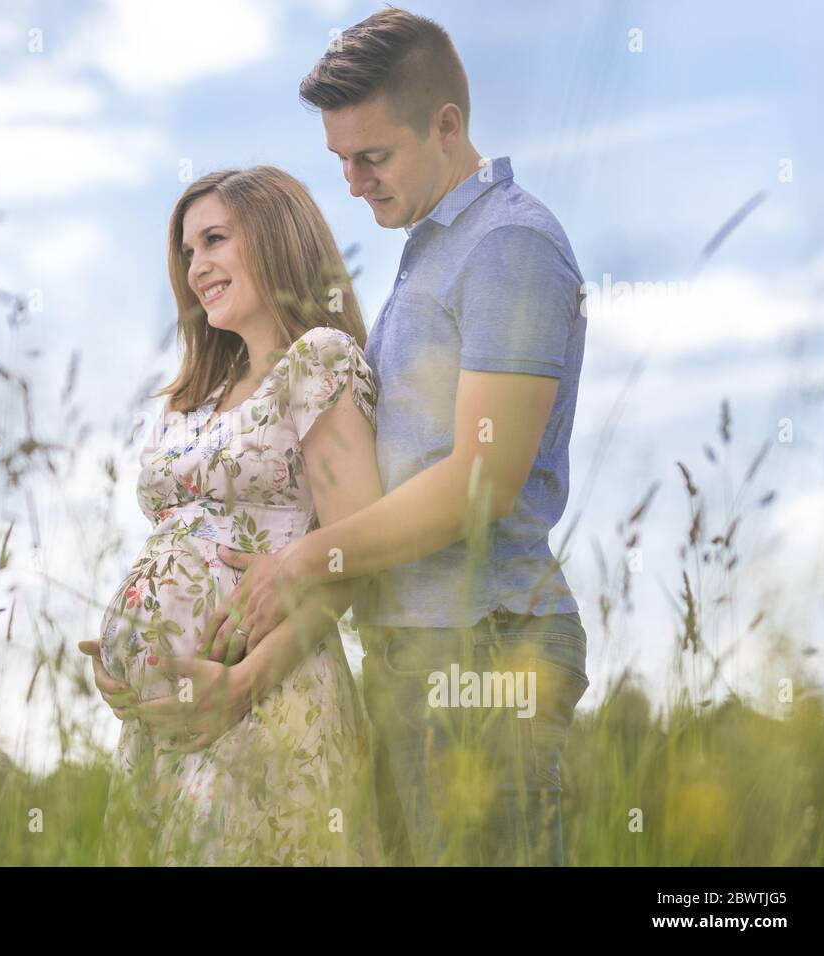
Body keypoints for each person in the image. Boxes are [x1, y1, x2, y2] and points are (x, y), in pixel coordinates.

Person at [204, 7, 592, 866]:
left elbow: (481, 486)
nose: (352, 181)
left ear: (446, 125)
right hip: (416, 650)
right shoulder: (431, 250)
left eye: (371, 157)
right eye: (340, 160)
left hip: (486, 647)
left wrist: (306, 563)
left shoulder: (509, 245)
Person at [77, 164, 385, 865]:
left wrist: (246, 682)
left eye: (214, 240)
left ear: (276, 239)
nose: (196, 267)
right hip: (167, 726)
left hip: (266, 698)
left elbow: (354, 555)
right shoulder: (197, 393)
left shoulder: (317, 362)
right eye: (187, 252)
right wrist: (128, 655)